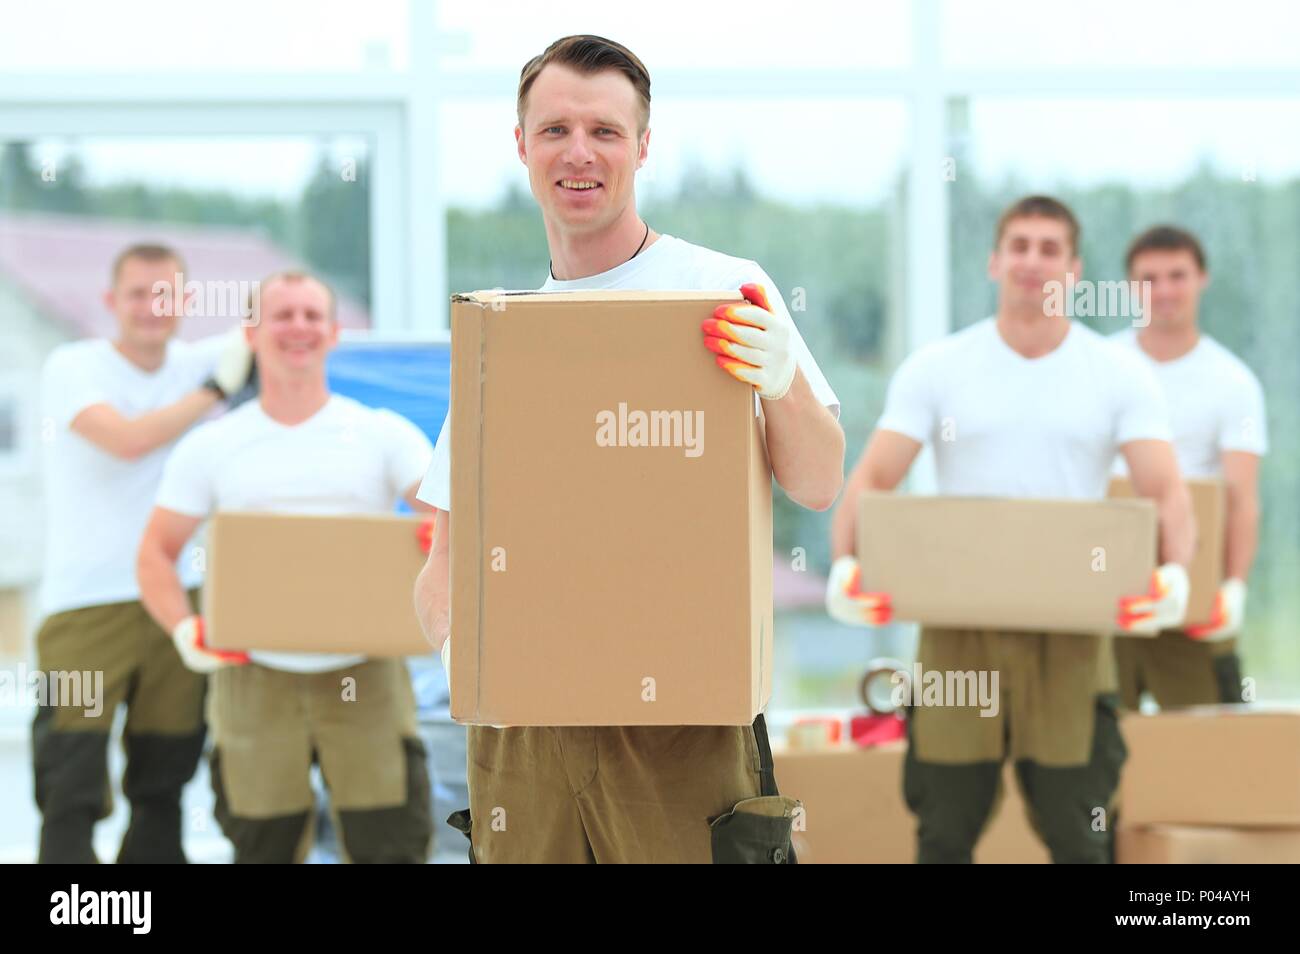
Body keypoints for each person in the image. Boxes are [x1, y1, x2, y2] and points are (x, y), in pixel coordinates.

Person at [413, 35, 845, 863]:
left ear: (643, 146)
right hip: (524, 740)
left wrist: (782, 377)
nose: (580, 153)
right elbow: (444, 565)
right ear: (521, 146)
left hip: (680, 730)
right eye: (555, 130)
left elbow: (819, 482)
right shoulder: (504, 337)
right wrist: (468, 660)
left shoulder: (718, 291)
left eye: (606, 131)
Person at [827, 197, 1195, 864]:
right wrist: (844, 567)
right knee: (943, 832)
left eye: (1049, 248)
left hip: (1073, 636)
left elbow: (1165, 489)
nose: (1033, 260)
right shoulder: (939, 367)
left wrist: (1174, 575)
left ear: (1074, 269)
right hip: (957, 631)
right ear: (994, 261)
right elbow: (872, 478)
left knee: (1080, 837)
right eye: (1019, 245)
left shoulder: (1118, 374)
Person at [137, 271, 435, 863]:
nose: (297, 327)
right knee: (262, 846)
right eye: (282, 315)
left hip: (366, 677)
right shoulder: (212, 445)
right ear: (250, 333)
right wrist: (183, 629)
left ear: (333, 332)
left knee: (392, 843)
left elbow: (456, 522)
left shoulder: (380, 434)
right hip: (253, 678)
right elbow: (154, 555)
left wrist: (442, 535)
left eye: (310, 316)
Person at [33, 242, 251, 863]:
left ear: (185, 301)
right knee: (68, 775)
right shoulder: (73, 365)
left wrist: (257, 329)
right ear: (110, 301)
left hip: (178, 598)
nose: (151, 308)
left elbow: (288, 316)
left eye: (165, 294)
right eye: (136, 294)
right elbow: (125, 441)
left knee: (165, 773)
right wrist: (215, 390)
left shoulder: (203, 360)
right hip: (84, 604)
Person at [1111, 225, 1267, 709]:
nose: (1164, 291)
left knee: (1209, 736)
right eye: (1149, 278)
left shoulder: (1232, 381)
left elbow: (1240, 498)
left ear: (1202, 278)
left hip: (1194, 594)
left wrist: (1234, 587)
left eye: (1177, 275)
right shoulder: (1101, 366)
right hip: (1105, 589)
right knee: (1095, 737)